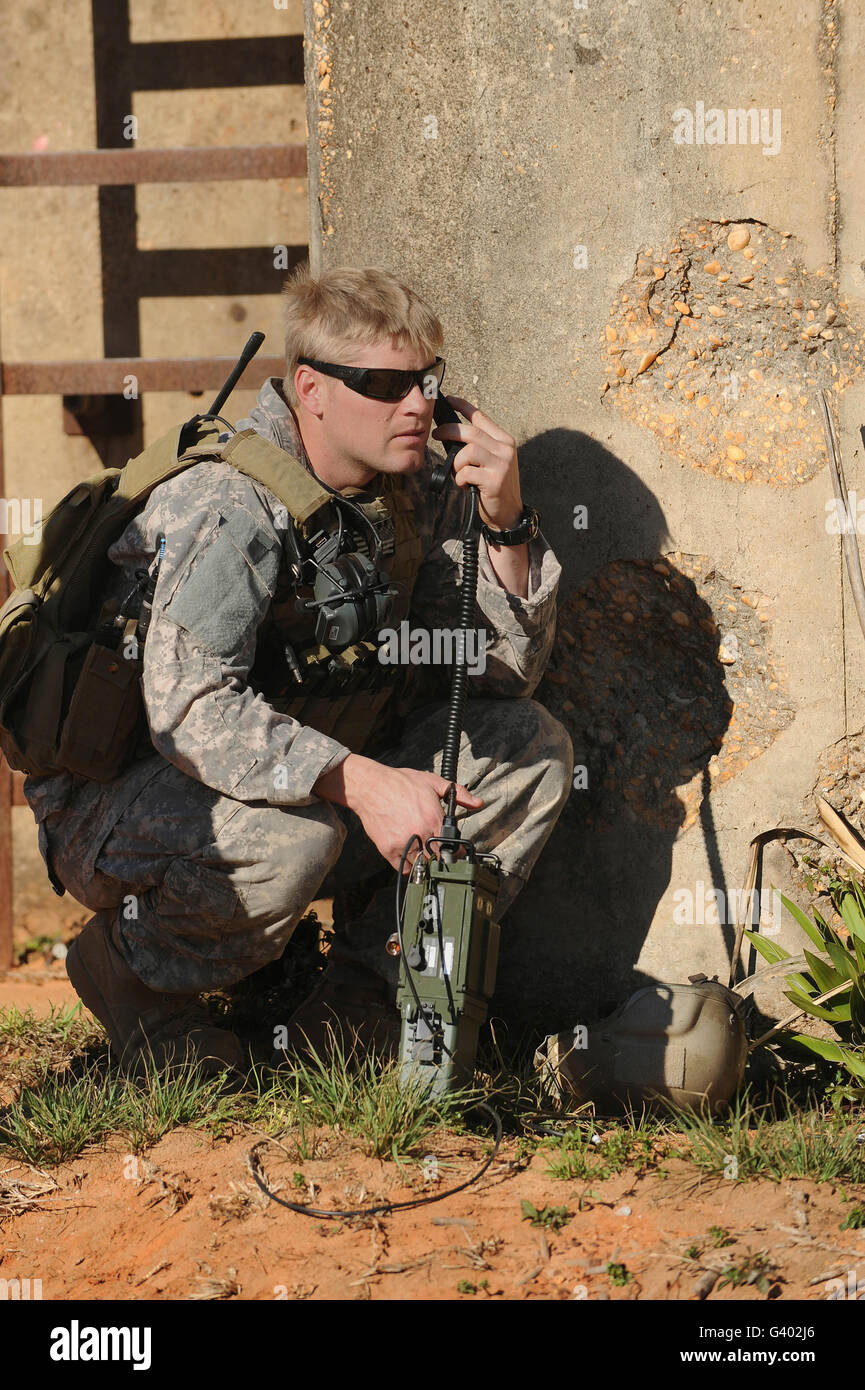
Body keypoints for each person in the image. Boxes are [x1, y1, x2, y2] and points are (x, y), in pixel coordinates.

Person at [24, 265, 573, 1072]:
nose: (417, 405)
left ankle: (352, 1012)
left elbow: (496, 678)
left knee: (521, 748)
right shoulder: (226, 503)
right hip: (125, 804)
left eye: (426, 380)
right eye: (384, 384)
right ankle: (133, 978)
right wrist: (361, 782)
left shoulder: (408, 490)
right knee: (290, 843)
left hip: (295, 775)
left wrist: (506, 523)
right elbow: (190, 711)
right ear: (311, 389)